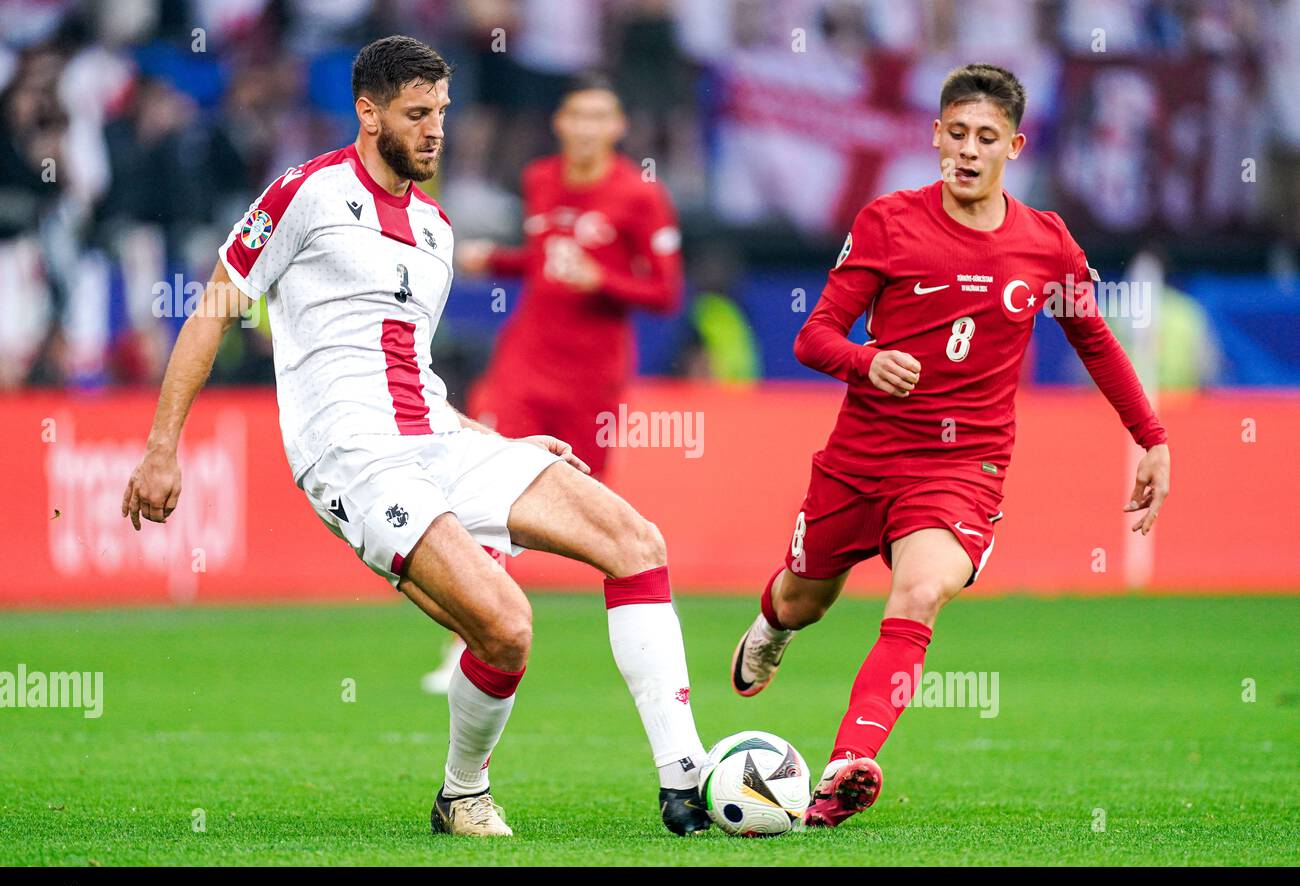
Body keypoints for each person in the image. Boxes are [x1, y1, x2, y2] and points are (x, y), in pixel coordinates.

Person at [120, 36, 711, 838]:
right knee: (506, 626)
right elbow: (217, 305)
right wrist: (163, 445)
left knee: (635, 539)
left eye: (442, 112)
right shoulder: (306, 193)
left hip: (440, 436)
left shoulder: (434, 229)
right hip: (351, 456)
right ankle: (463, 793)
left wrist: (502, 444)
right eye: (416, 114)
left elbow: (414, 373)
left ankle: (688, 781)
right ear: (368, 113)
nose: (436, 130)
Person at [729, 64, 1172, 828]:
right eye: (956, 134)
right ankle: (772, 628)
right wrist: (868, 359)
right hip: (862, 457)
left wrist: (1152, 438)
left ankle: (847, 763)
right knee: (806, 597)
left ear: (1015, 147)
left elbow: (1094, 341)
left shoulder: (1046, 243)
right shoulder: (887, 223)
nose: (967, 151)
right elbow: (814, 336)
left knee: (921, 591)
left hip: (963, 466)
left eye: (986, 138)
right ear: (935, 135)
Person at [457, 73, 684, 480]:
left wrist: (602, 280)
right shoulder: (539, 178)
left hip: (591, 374)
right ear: (559, 122)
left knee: (582, 493)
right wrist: (495, 260)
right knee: (493, 471)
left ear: (619, 126)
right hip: (525, 359)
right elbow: (546, 262)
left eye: (598, 117)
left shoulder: (641, 196)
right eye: (577, 115)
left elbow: (666, 293)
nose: (585, 128)